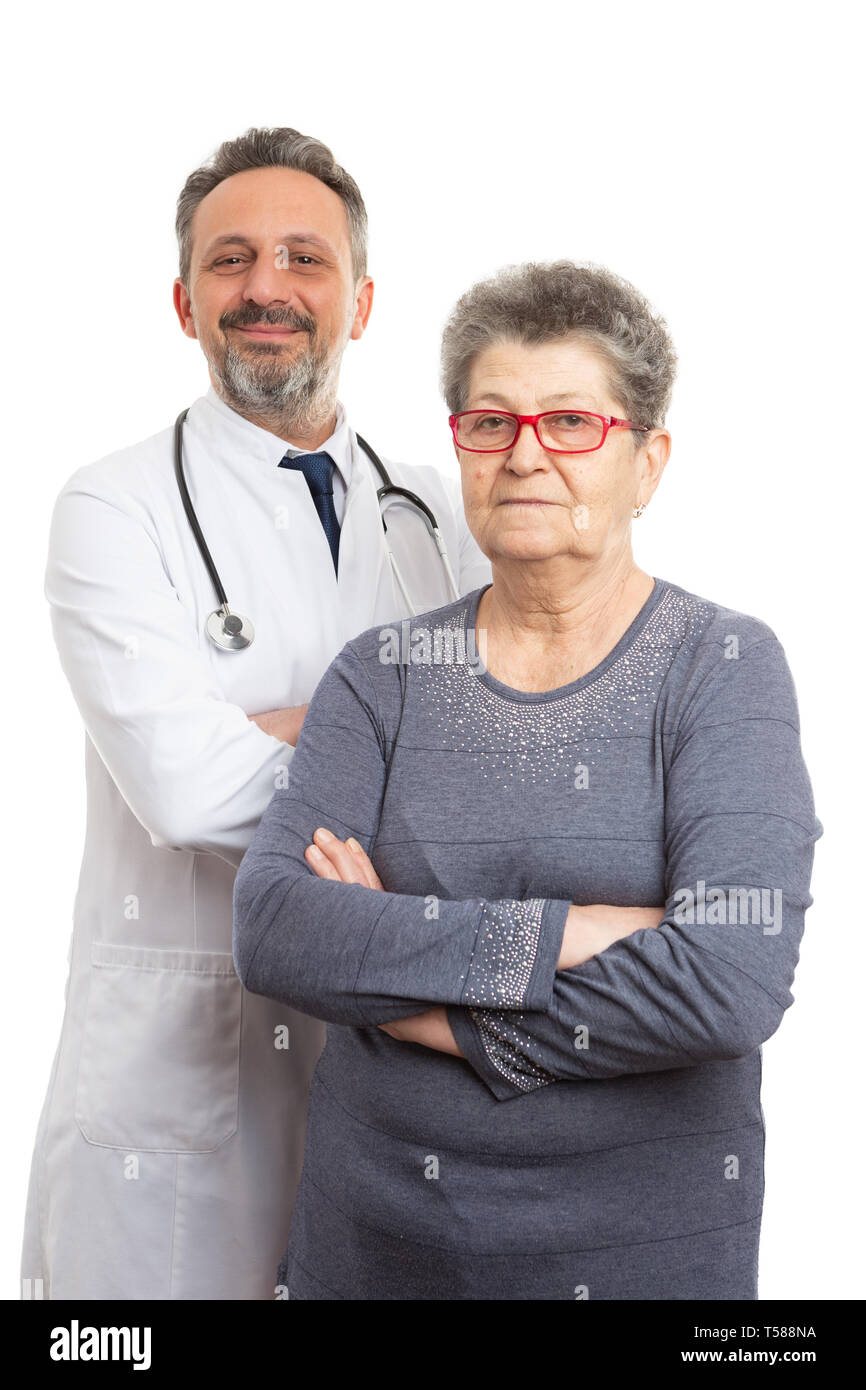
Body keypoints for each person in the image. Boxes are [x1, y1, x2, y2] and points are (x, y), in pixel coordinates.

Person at [233, 259, 823, 1301]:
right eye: (490, 422)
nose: (524, 455)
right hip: (372, 1248)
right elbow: (278, 929)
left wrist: (407, 1002)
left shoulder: (719, 668)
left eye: (570, 423)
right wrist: (572, 931)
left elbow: (724, 984)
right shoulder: (380, 676)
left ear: (646, 462)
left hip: (635, 1262)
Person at [20, 127, 491, 1301]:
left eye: (302, 258)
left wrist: (289, 729)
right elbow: (185, 787)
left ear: (362, 301)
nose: (265, 287)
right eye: (230, 261)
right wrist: (415, 737)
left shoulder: (441, 512)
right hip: (180, 1083)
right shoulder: (111, 507)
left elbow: (528, 758)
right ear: (184, 303)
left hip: (395, 1076)